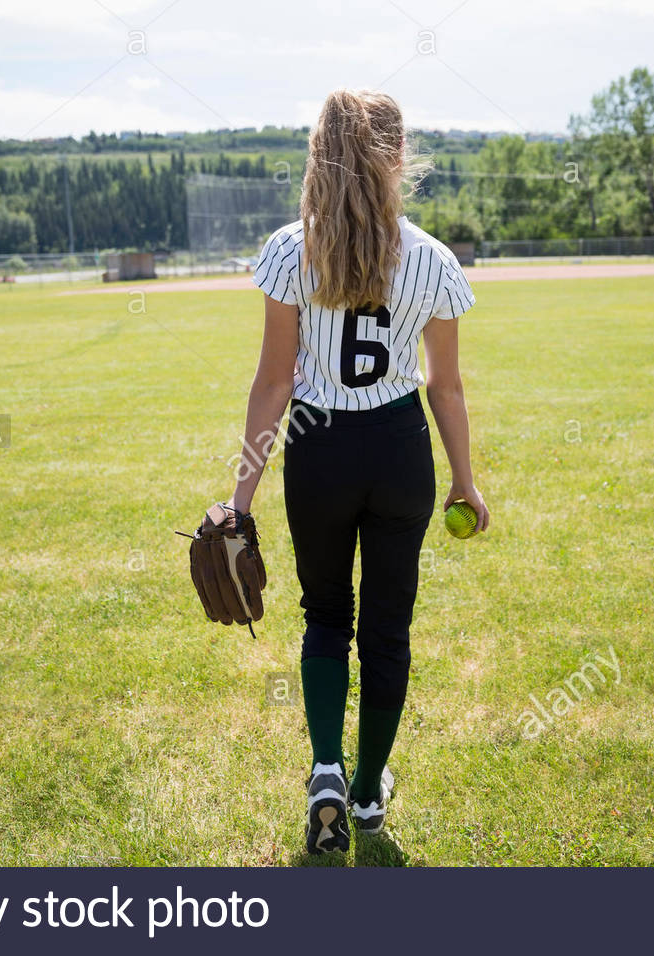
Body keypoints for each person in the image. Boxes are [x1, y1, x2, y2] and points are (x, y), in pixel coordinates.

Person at [223, 88, 491, 854]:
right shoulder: (434, 258)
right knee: (387, 633)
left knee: (325, 621)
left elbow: (275, 381)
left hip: (319, 449)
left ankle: (328, 771)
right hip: (399, 447)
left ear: (318, 155)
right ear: (399, 159)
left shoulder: (288, 249)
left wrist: (239, 494)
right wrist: (465, 481)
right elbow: (446, 385)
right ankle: (370, 795)